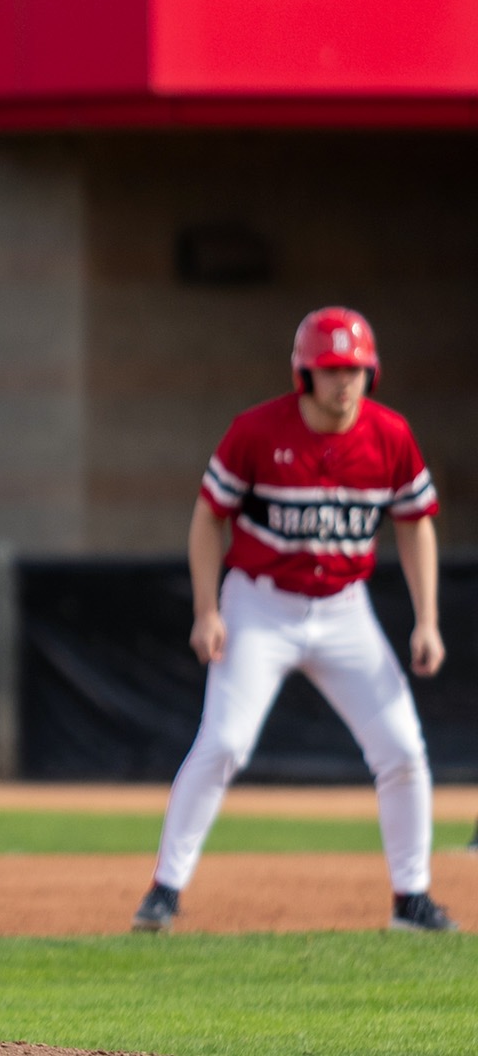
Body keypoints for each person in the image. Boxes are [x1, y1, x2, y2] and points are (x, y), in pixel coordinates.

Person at [131, 307, 456, 934]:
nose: (344, 382)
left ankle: (411, 899)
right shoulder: (257, 431)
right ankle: (165, 889)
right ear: (303, 374)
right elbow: (208, 517)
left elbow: (415, 525)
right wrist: (207, 610)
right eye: (331, 369)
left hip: (344, 608)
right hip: (260, 603)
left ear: (372, 372)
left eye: (355, 369)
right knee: (224, 741)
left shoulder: (389, 435)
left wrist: (428, 620)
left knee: (403, 749)